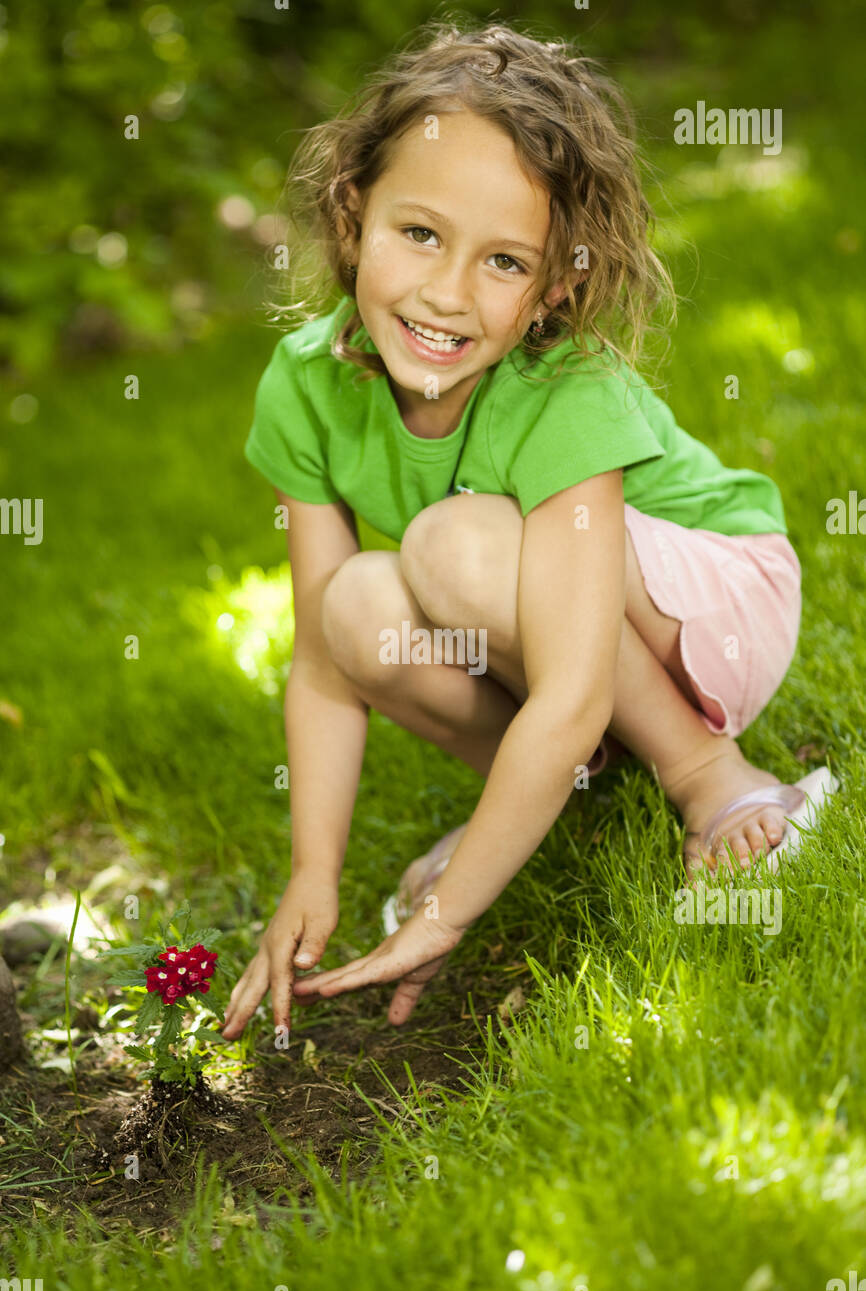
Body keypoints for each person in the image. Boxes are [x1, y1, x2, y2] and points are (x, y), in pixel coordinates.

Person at [220, 22, 835, 1043]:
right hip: (568, 631)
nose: (447, 295)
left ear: (551, 285)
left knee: (451, 547)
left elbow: (572, 680)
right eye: (418, 234)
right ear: (351, 211)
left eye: (502, 261)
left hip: (710, 601)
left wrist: (445, 909)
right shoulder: (302, 383)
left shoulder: (563, 388)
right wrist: (309, 876)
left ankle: (708, 778)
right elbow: (324, 668)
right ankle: (563, 785)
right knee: (356, 608)